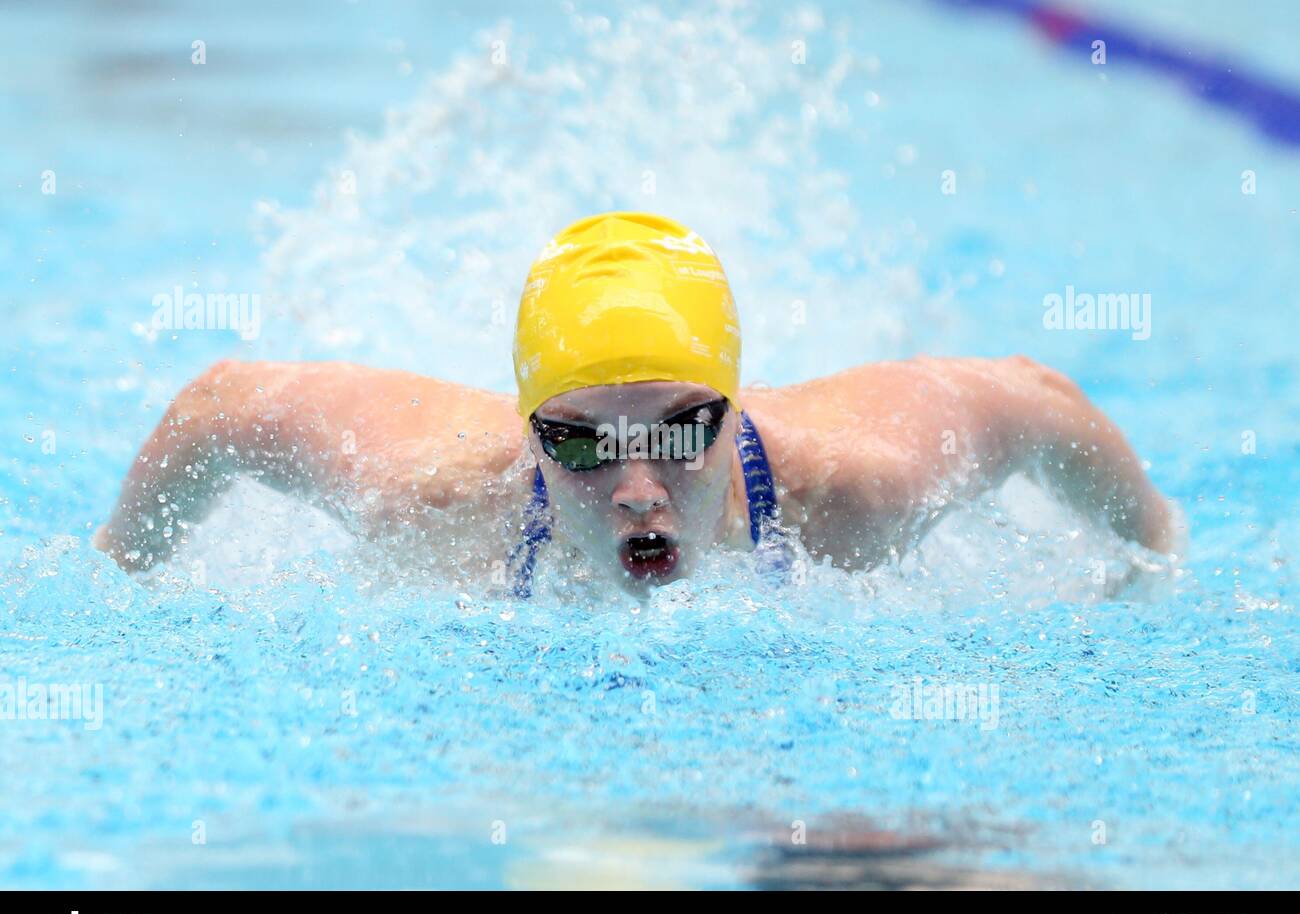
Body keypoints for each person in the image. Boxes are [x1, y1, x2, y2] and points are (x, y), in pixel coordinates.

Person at [95, 211, 1179, 594]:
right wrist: (122, 572)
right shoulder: (428, 500)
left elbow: (1033, 397)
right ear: (528, 434)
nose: (637, 488)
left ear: (731, 408)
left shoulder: (856, 491)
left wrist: (1150, 552)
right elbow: (220, 403)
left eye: (677, 430)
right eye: (581, 443)